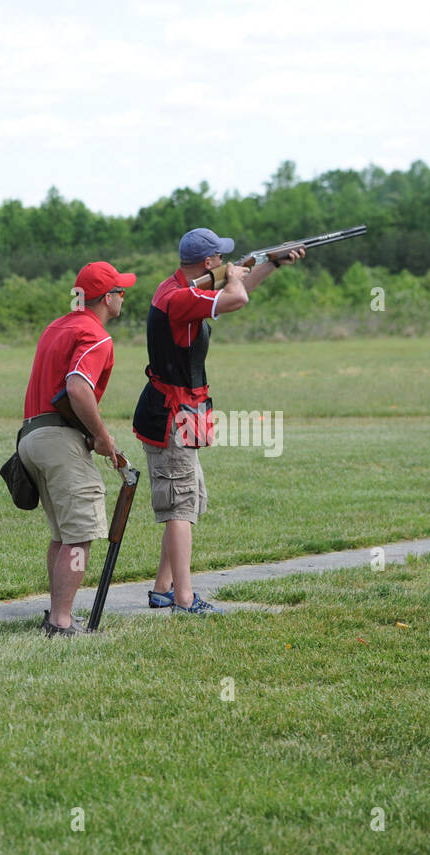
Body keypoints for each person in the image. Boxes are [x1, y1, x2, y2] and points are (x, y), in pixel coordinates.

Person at [132, 228, 302, 614]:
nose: (227, 259)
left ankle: (164, 588)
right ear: (208, 263)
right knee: (180, 505)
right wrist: (238, 277)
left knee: (187, 501)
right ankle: (184, 599)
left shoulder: (177, 288)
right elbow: (236, 296)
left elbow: (234, 293)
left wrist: (271, 263)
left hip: (184, 410)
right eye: (221, 257)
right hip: (171, 414)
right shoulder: (179, 297)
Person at [20, 261, 134, 635]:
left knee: (63, 535)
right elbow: (76, 387)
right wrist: (101, 437)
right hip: (58, 441)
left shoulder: (58, 325)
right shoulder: (96, 335)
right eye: (120, 290)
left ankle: (56, 614)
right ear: (106, 298)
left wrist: (93, 432)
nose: (123, 295)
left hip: (30, 436)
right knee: (80, 535)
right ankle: (62, 621)